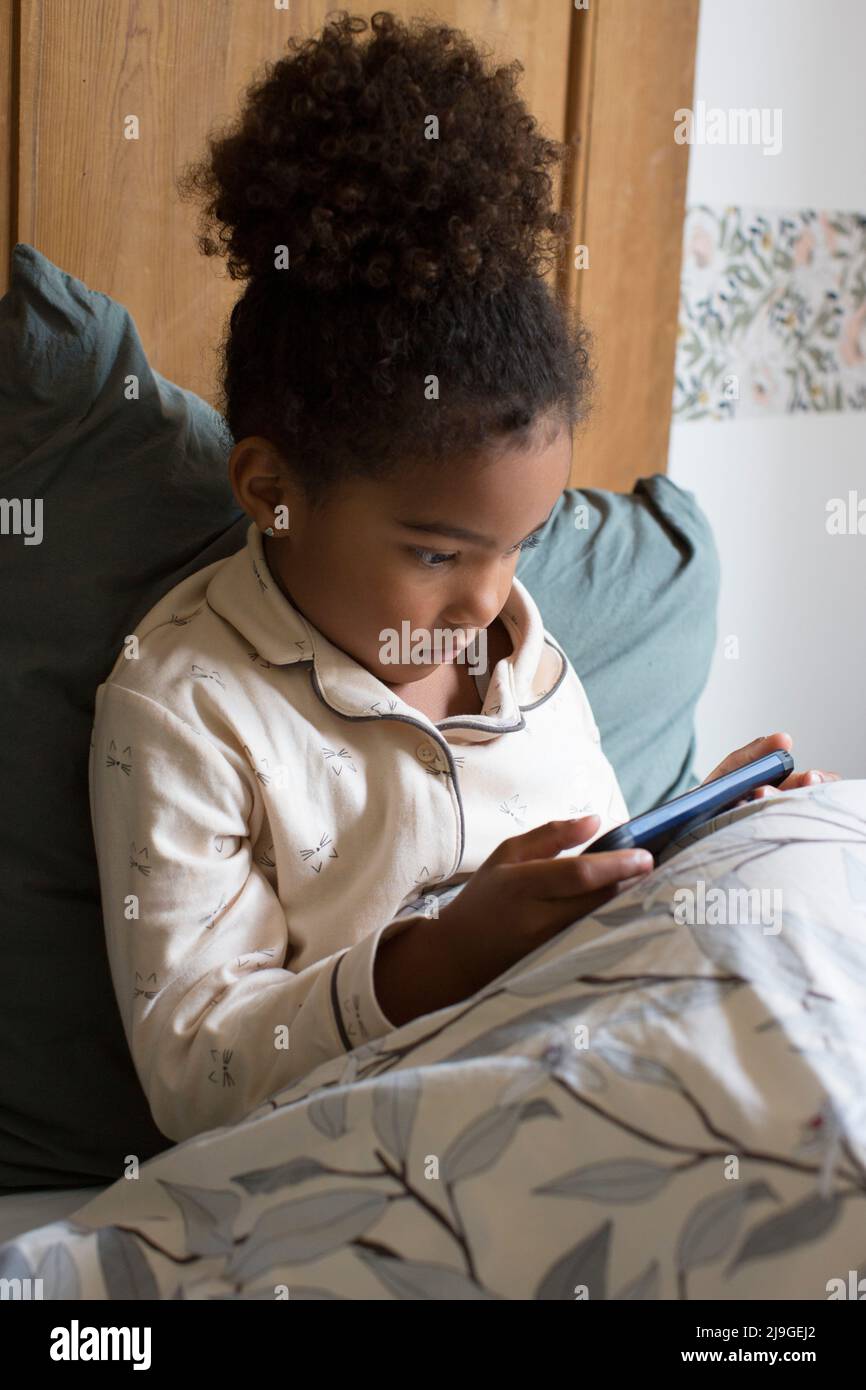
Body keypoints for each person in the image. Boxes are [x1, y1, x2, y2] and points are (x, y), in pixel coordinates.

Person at [89, 11, 837, 1145]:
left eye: (520, 544)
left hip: (605, 1086)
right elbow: (196, 1072)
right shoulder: (185, 702)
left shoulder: (520, 654)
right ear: (267, 487)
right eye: (436, 552)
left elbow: (575, 895)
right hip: (390, 1153)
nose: (488, 601)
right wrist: (435, 958)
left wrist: (704, 835)